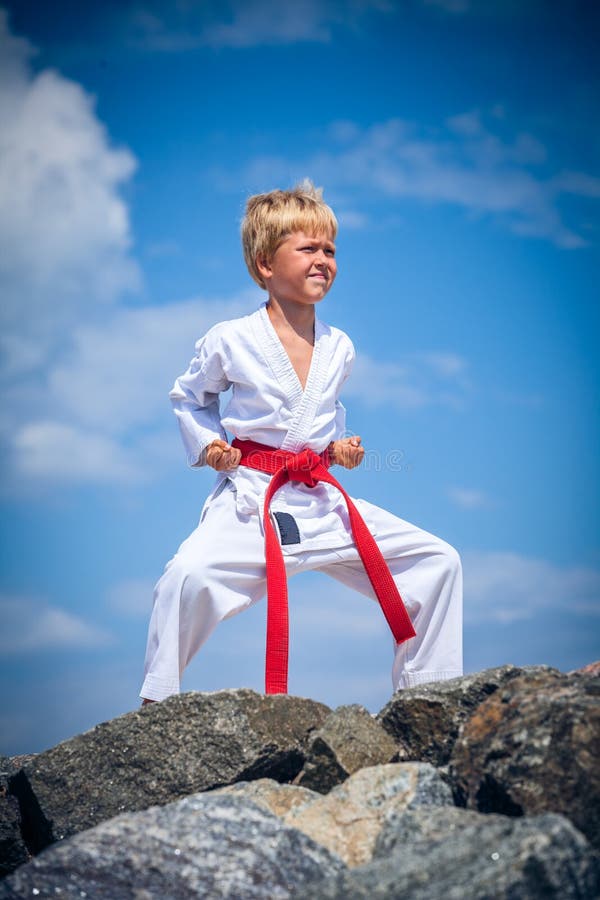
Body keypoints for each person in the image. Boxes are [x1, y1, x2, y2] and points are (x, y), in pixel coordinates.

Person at [140, 181, 462, 704]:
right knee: (186, 576)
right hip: (253, 500)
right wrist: (209, 446)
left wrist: (340, 450)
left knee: (438, 561)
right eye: (307, 249)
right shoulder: (230, 338)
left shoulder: (340, 346)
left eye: (330, 250)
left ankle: (428, 701)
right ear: (266, 264)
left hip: (320, 501)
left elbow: (322, 421)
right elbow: (188, 397)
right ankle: (155, 706)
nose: (323, 260)